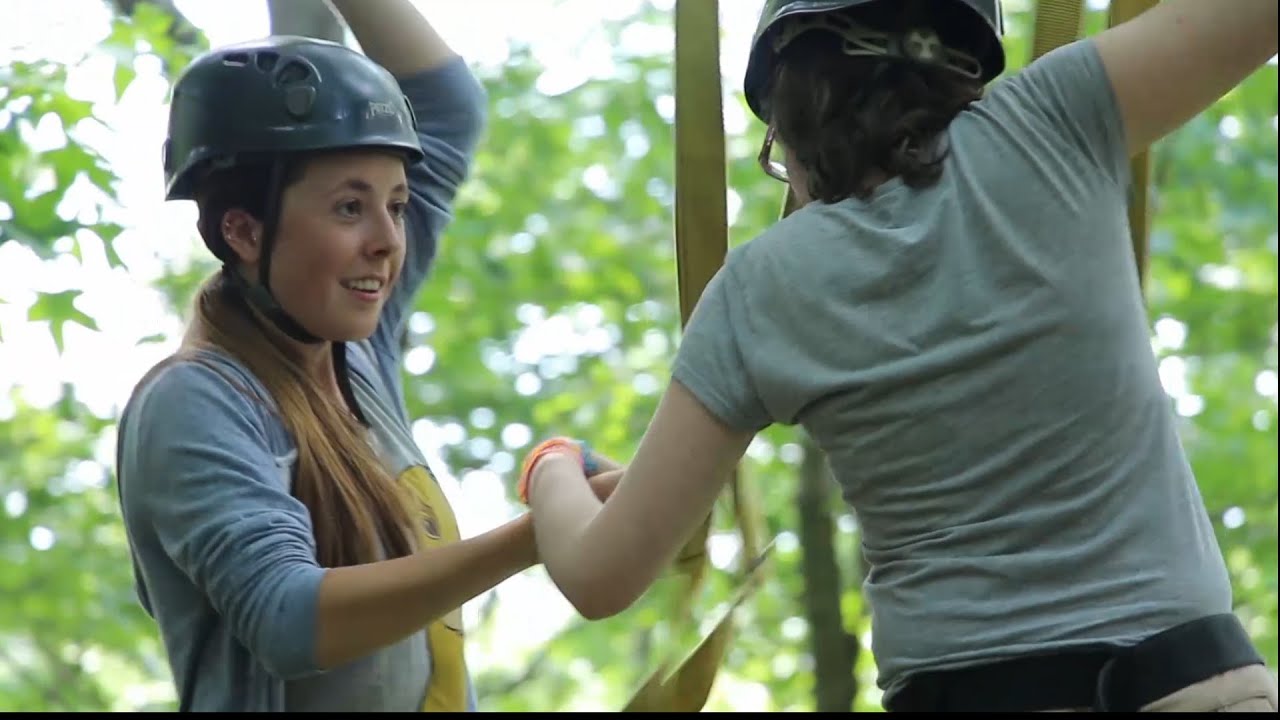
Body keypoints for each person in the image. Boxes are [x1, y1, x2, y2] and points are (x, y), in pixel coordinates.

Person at [520, 0, 1279, 712]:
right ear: (965, 70)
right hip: (1197, 685)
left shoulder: (758, 291)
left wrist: (552, 465)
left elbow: (599, 576)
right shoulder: (1058, 116)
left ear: (791, 112)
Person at [113, 0, 619, 712]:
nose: (387, 240)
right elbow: (288, 618)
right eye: (350, 208)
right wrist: (542, 537)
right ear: (244, 231)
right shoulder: (195, 403)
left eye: (398, 203)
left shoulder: (355, 351)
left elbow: (446, 104)